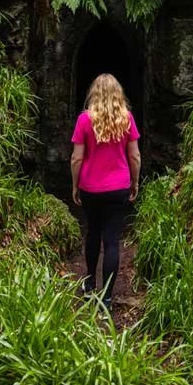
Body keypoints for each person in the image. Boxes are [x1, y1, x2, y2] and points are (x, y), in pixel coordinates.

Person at [70, 73, 141, 308]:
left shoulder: (84, 120)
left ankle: (90, 285)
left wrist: (75, 185)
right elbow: (135, 156)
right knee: (112, 240)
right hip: (118, 187)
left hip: (91, 187)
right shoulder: (127, 119)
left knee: (93, 233)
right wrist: (135, 182)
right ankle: (108, 298)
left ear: (94, 94)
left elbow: (76, 159)